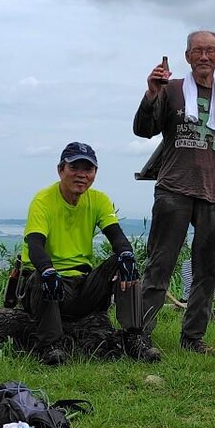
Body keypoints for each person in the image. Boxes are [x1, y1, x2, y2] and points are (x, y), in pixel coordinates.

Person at [134, 30, 215, 355]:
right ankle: (140, 334)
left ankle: (192, 337)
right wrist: (152, 93)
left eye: (210, 51)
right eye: (198, 51)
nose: (204, 56)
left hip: (212, 193)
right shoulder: (173, 90)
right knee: (160, 264)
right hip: (174, 189)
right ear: (188, 56)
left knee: (206, 270)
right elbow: (143, 129)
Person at [19, 141, 161, 365]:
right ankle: (51, 345)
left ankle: (135, 337)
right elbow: (35, 244)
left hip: (81, 285)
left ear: (95, 173)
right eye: (74, 168)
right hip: (47, 285)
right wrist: (47, 269)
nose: (81, 175)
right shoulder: (43, 200)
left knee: (126, 263)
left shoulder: (99, 200)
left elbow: (117, 237)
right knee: (41, 275)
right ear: (60, 170)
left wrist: (126, 256)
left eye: (88, 169)